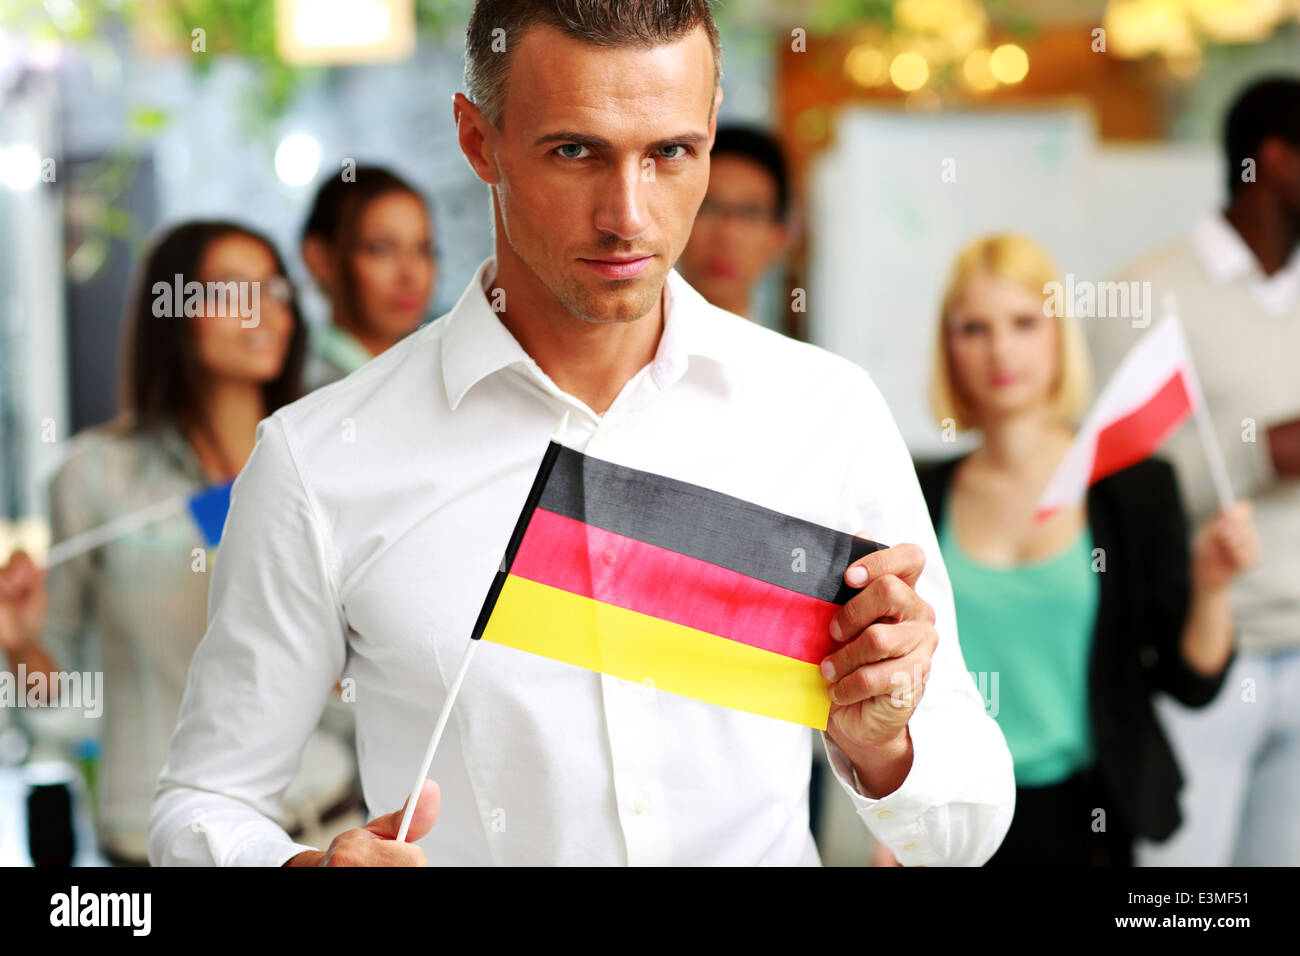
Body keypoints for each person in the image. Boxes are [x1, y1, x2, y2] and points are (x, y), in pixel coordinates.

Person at [148, 0, 1014, 868]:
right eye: (575, 151)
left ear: (710, 131)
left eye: (670, 152)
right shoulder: (319, 460)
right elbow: (206, 801)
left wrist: (885, 746)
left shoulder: (823, 417)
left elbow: (965, 832)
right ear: (478, 139)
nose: (628, 216)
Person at [0, 221, 362, 864]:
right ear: (173, 312)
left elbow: (354, 700)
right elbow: (62, 711)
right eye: (232, 290)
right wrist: (21, 641)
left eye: (274, 290)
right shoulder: (96, 476)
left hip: (320, 830)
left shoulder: (322, 461)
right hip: (160, 851)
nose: (263, 311)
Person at [913, 234, 1259, 866]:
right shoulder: (916, 491)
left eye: (1023, 322)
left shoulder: (1132, 488)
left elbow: (1190, 685)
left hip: (1093, 816)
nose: (1001, 350)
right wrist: (894, 818)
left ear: (1057, 337)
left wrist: (1212, 586)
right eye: (974, 329)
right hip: (955, 817)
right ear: (948, 349)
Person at [1088, 77, 1300, 866]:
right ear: (1274, 161)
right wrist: (1260, 453)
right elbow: (1112, 486)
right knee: (1186, 910)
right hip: (1202, 658)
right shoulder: (1147, 294)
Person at [299, 166, 438, 390]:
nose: (410, 275)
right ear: (320, 259)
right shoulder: (316, 395)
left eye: (422, 250)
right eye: (380, 250)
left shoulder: (424, 373)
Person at [675, 125, 791, 322]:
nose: (726, 233)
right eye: (708, 208)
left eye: (749, 214)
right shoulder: (627, 351)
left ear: (779, 238)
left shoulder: (790, 353)